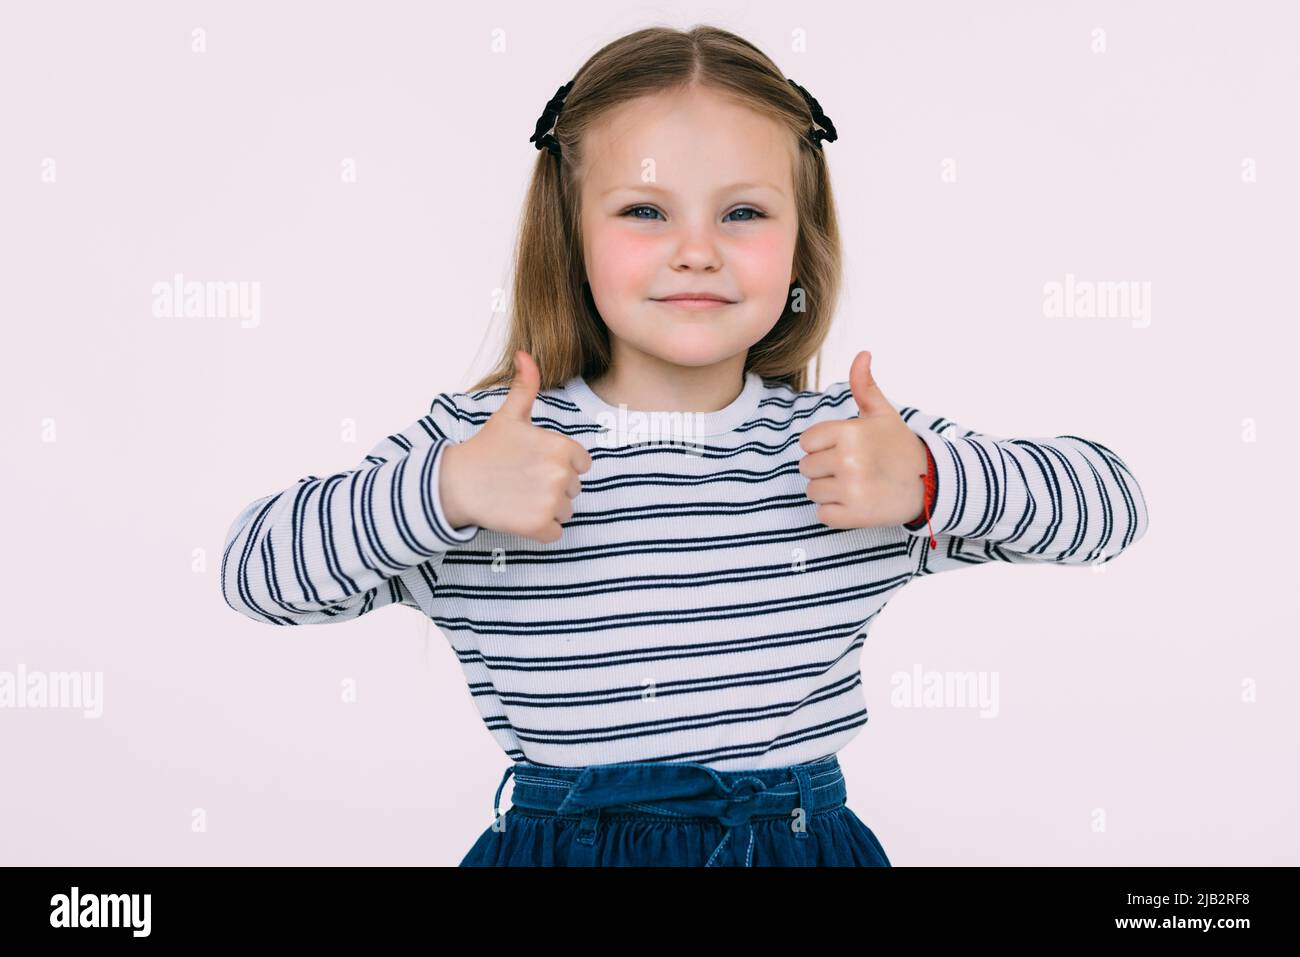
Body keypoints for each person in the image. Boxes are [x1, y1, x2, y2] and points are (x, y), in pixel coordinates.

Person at [220, 25, 1149, 867]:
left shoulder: (853, 451)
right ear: (571, 236)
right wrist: (446, 489)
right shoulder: (487, 455)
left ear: (801, 241)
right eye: (645, 211)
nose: (697, 250)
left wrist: (935, 482)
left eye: (743, 213)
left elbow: (1110, 507)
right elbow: (256, 574)